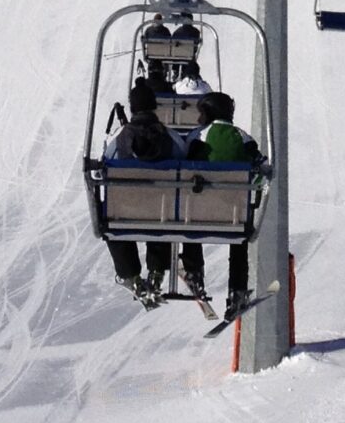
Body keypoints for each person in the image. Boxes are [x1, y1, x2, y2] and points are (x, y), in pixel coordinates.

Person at [180, 91, 261, 315]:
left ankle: (194, 271)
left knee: (190, 224)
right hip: (234, 214)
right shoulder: (244, 138)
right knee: (238, 240)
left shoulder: (198, 136)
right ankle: (237, 290)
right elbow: (261, 168)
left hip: (199, 212)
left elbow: (184, 167)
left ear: (207, 114)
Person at [104, 85, 179, 306]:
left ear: (133, 107)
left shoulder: (119, 138)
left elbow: (105, 163)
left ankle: (131, 275)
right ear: (154, 106)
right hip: (162, 212)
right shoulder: (170, 137)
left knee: (114, 220)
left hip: (126, 210)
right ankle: (156, 271)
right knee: (163, 213)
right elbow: (184, 156)